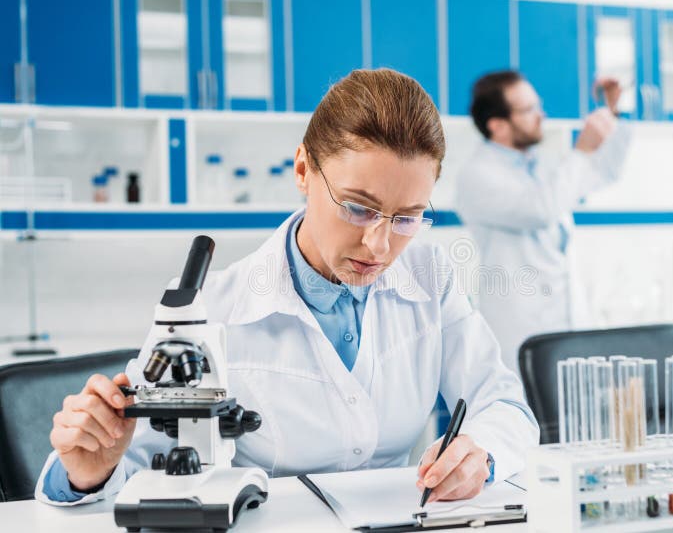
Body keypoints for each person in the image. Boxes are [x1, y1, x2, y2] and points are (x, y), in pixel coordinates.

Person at [35, 69, 539, 506]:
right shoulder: (210, 308)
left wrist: (483, 455)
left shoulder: (432, 278)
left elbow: (504, 404)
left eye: (407, 218)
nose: (379, 245)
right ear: (303, 169)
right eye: (358, 207)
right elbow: (139, 469)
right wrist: (86, 473)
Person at [455, 71, 631, 374]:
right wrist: (583, 150)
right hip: (520, 332)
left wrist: (614, 111)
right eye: (529, 110)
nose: (542, 116)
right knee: (531, 418)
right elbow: (540, 209)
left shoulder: (544, 165)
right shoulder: (477, 176)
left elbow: (605, 172)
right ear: (497, 125)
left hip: (570, 323)